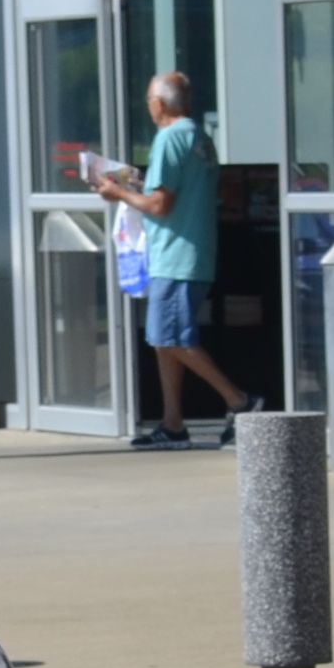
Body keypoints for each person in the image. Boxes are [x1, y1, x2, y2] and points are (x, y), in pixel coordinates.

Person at [99, 69, 252, 450]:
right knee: (164, 340)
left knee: (172, 337)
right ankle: (173, 423)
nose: (148, 104)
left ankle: (241, 403)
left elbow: (159, 204)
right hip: (190, 251)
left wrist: (117, 193)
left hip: (176, 254)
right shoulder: (198, 137)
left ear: (159, 103)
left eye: (149, 98)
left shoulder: (168, 139)